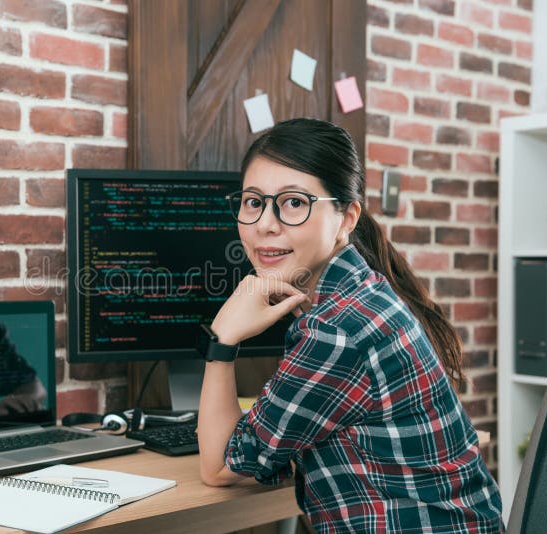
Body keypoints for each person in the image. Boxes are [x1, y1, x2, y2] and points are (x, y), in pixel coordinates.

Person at [197, 118, 503, 533]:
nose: (266, 224)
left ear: (346, 219)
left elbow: (219, 466)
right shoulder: (363, 294)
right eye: (254, 202)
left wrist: (224, 337)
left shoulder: (337, 329)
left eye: (293, 202)